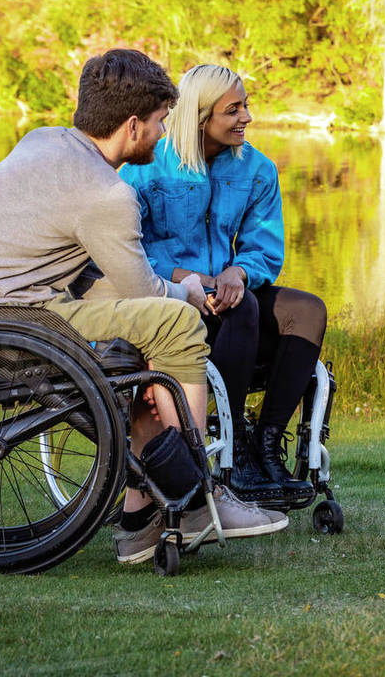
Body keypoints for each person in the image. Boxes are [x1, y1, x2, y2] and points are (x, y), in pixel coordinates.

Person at [0, 49, 287, 565]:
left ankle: (138, 519)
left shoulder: (44, 142)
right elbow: (144, 290)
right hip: (13, 326)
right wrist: (190, 291)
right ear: (133, 126)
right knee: (174, 321)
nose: (164, 133)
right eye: (160, 121)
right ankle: (195, 496)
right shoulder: (106, 194)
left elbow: (103, 282)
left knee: (138, 339)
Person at [121, 65, 327, 506]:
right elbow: (124, 249)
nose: (246, 117)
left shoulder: (257, 169)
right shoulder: (146, 166)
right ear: (200, 117)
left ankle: (263, 445)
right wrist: (184, 278)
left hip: (229, 299)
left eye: (245, 106)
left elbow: (264, 247)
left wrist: (240, 272)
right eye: (233, 110)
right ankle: (234, 452)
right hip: (170, 304)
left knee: (307, 310)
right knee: (245, 306)